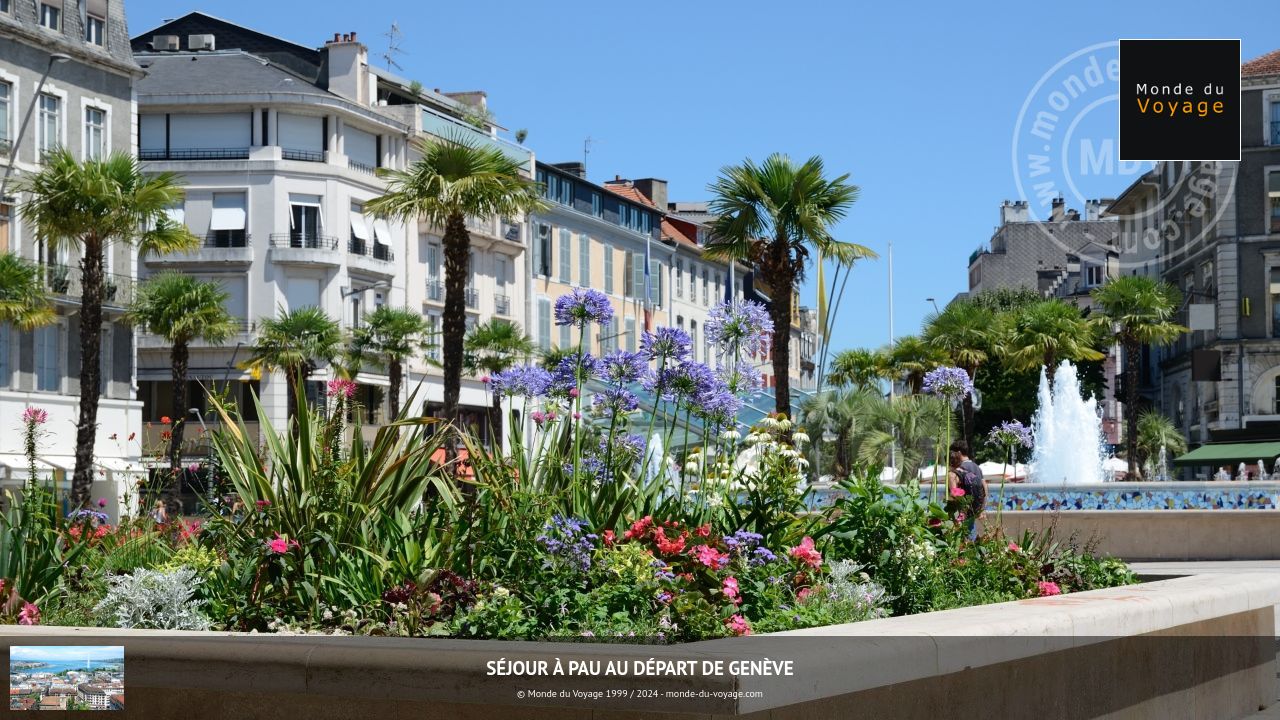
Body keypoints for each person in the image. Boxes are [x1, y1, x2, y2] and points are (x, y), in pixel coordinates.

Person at [947, 440, 986, 541]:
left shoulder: (959, 468)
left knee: (962, 536)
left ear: (959, 453)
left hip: (962, 509)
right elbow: (985, 488)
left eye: (953, 453)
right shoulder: (976, 467)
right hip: (973, 507)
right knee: (971, 532)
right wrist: (982, 508)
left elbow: (954, 491)